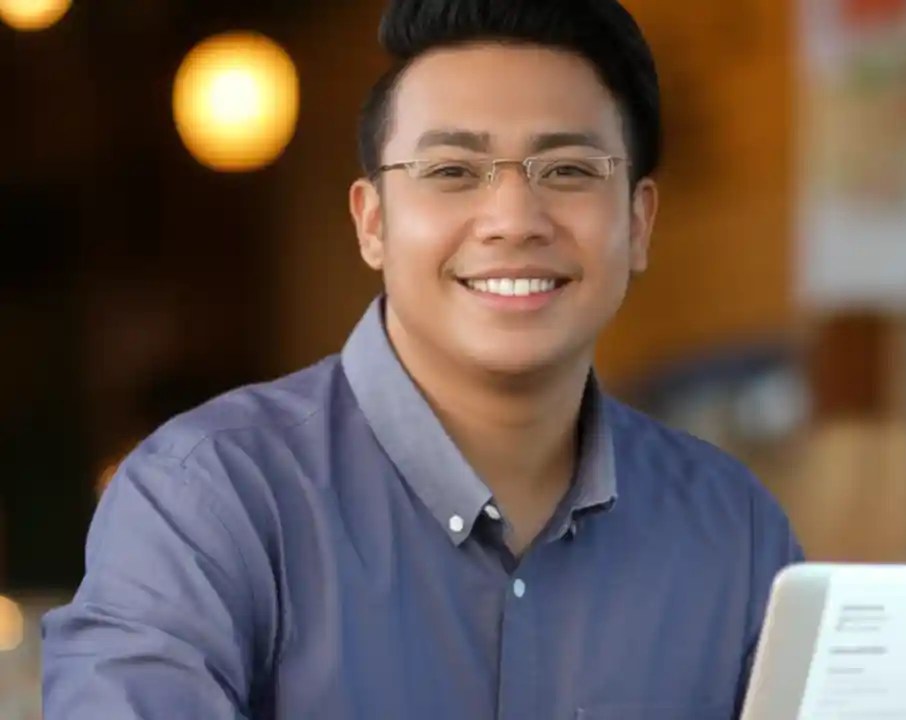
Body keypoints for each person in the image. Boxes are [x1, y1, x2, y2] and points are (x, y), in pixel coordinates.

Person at [41, 0, 803, 717]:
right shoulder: (210, 503)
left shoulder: (733, 532)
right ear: (372, 223)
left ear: (638, 224)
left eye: (567, 170)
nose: (512, 220)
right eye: (452, 172)